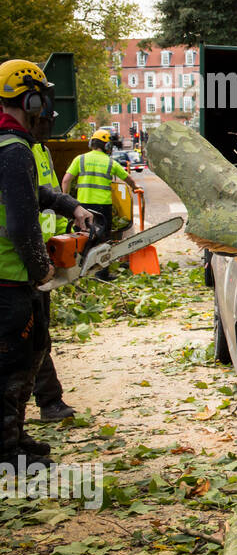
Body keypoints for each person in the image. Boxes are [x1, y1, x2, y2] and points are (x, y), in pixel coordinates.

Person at [0, 60, 95, 466]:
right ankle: (5, 453)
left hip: (9, 277)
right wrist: (41, 268)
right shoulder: (14, 149)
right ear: (31, 99)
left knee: (30, 355)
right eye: (42, 99)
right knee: (10, 368)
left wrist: (68, 204)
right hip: (7, 278)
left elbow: (30, 194)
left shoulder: (8, 145)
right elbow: (22, 224)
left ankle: (15, 439)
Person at [30, 114, 77, 422]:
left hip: (41, 251)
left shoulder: (40, 149)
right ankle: (49, 402)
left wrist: (67, 223)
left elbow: (47, 193)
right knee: (31, 336)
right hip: (20, 260)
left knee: (38, 332)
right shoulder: (12, 149)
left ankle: (49, 401)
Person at [62, 128, 139, 279]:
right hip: (103, 207)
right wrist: (135, 187)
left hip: (82, 206)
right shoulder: (110, 162)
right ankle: (102, 274)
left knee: (81, 239)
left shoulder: (80, 159)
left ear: (92, 143)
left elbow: (66, 180)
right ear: (107, 147)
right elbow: (128, 179)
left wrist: (65, 201)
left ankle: (78, 274)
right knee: (103, 241)